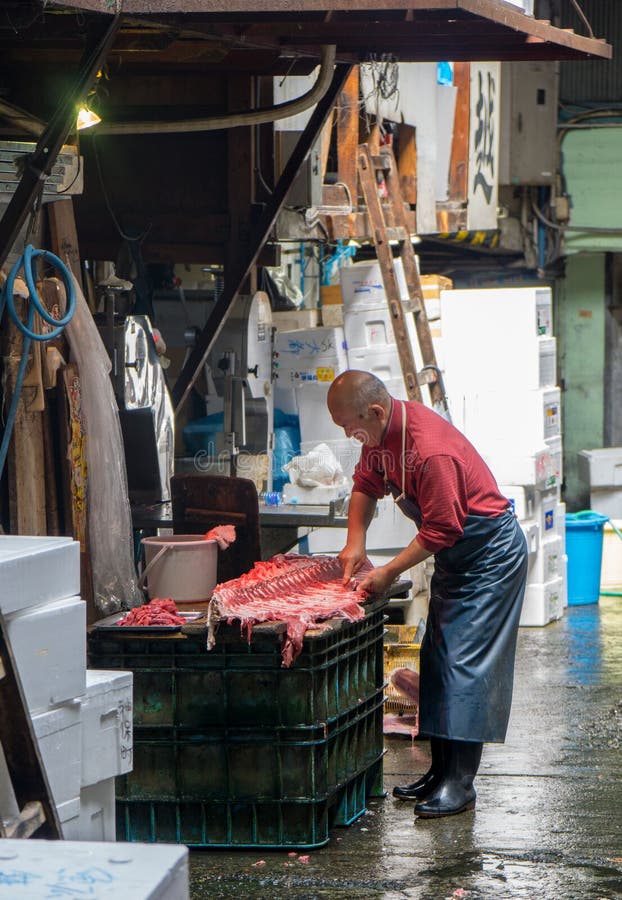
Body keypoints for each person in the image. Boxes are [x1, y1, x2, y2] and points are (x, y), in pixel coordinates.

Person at [327, 370, 528, 819]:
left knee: (465, 665)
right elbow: (365, 484)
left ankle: (461, 784)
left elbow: (442, 527)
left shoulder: (428, 449)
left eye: (351, 426)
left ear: (376, 412)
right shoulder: (381, 438)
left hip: (489, 556)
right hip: (457, 559)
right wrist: (354, 541)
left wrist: (388, 573)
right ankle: (439, 772)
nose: (350, 436)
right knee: (435, 656)